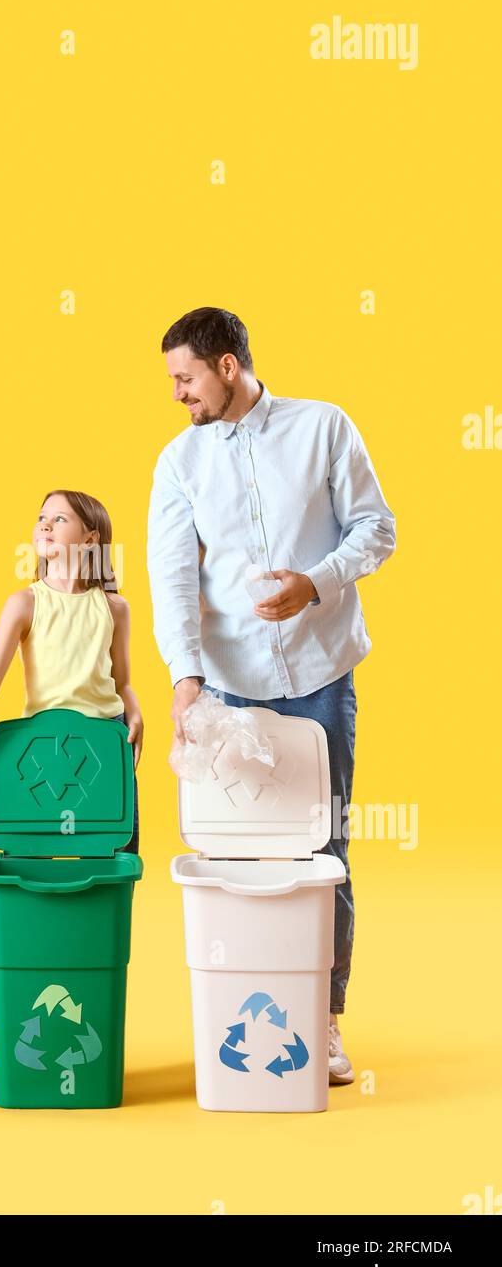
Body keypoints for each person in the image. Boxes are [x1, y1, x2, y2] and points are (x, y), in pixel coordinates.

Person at [146, 307, 396, 1085]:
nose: (178, 395)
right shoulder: (179, 461)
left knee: (325, 853)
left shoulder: (323, 427)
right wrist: (187, 681)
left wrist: (315, 584)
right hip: (230, 692)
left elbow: (377, 529)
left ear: (227, 365)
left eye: (185, 378)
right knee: (232, 858)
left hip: (321, 678)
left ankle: (321, 1023)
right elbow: (175, 577)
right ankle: (245, 1009)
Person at [0, 489, 143, 1078]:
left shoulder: (115, 609)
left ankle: (84, 1018)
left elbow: (122, 679)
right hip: (45, 774)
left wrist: (135, 712)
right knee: (15, 896)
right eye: (40, 517)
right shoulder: (24, 604)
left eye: (58, 518)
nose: (43, 525)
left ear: (90, 537)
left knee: (102, 895)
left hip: (103, 770)